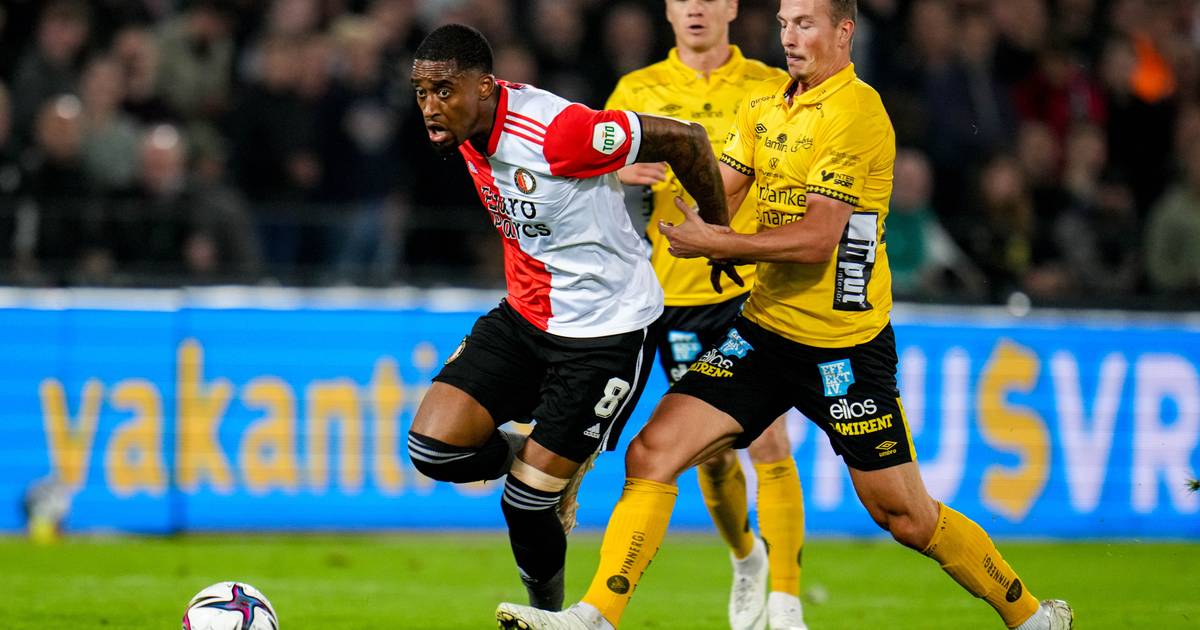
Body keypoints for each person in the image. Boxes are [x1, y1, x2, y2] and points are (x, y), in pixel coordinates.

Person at [495, 2, 1075, 629]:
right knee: (653, 452)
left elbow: (819, 238)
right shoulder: (767, 107)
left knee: (903, 515)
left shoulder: (858, 114)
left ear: (844, 31)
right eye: (784, 24)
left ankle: (1033, 617)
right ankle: (596, 616)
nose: (790, 37)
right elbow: (720, 186)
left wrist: (722, 245)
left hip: (843, 348)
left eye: (806, 24)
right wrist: (610, 175)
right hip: (765, 332)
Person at [405, 24, 736, 613]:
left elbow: (687, 139)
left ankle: (549, 617)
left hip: (604, 334)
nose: (430, 107)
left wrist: (720, 236)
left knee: (525, 504)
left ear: (484, 87)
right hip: (524, 319)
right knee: (434, 451)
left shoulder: (559, 133)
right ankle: (540, 452)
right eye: (421, 91)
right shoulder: (464, 127)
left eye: (443, 91)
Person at [604, 2, 807, 628]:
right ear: (666, 9)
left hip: (749, 290)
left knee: (770, 437)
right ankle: (745, 556)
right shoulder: (636, 91)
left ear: (731, 8)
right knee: (714, 455)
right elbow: (585, 178)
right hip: (677, 297)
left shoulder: (770, 86)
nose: (695, 6)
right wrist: (616, 170)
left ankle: (787, 599)